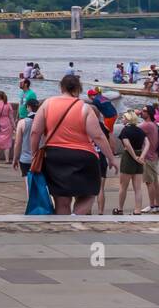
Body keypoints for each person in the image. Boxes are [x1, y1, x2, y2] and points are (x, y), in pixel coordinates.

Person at [31, 74, 117, 215]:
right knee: (89, 193)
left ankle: (64, 229)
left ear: (61, 87)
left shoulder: (47, 104)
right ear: (78, 89)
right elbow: (98, 136)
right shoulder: (85, 108)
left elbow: (35, 132)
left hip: (55, 156)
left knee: (61, 200)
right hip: (84, 156)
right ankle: (76, 217)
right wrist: (111, 158)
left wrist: (35, 153)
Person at [112, 111, 149, 214]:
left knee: (123, 186)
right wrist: (141, 156)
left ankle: (120, 209)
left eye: (123, 117)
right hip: (139, 156)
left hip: (128, 158)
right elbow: (147, 144)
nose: (122, 119)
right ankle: (137, 210)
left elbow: (127, 145)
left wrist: (134, 157)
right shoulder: (140, 130)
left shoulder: (125, 131)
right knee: (138, 188)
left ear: (128, 119)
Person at [136, 105, 159, 213]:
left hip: (148, 157)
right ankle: (157, 205)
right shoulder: (154, 124)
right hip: (154, 156)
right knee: (155, 182)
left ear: (149, 113)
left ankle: (152, 206)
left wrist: (134, 115)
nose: (142, 112)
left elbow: (133, 129)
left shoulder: (146, 125)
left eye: (144, 111)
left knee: (149, 182)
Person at [12, 98, 39, 179]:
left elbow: (18, 143)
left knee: (29, 184)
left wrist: (15, 159)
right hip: (40, 159)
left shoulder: (22, 123)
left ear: (28, 107)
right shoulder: (44, 121)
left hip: (26, 159)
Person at [0, 91, 15, 164]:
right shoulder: (8, 105)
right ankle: (7, 160)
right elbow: (11, 117)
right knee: (7, 143)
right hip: (7, 124)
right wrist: (14, 126)